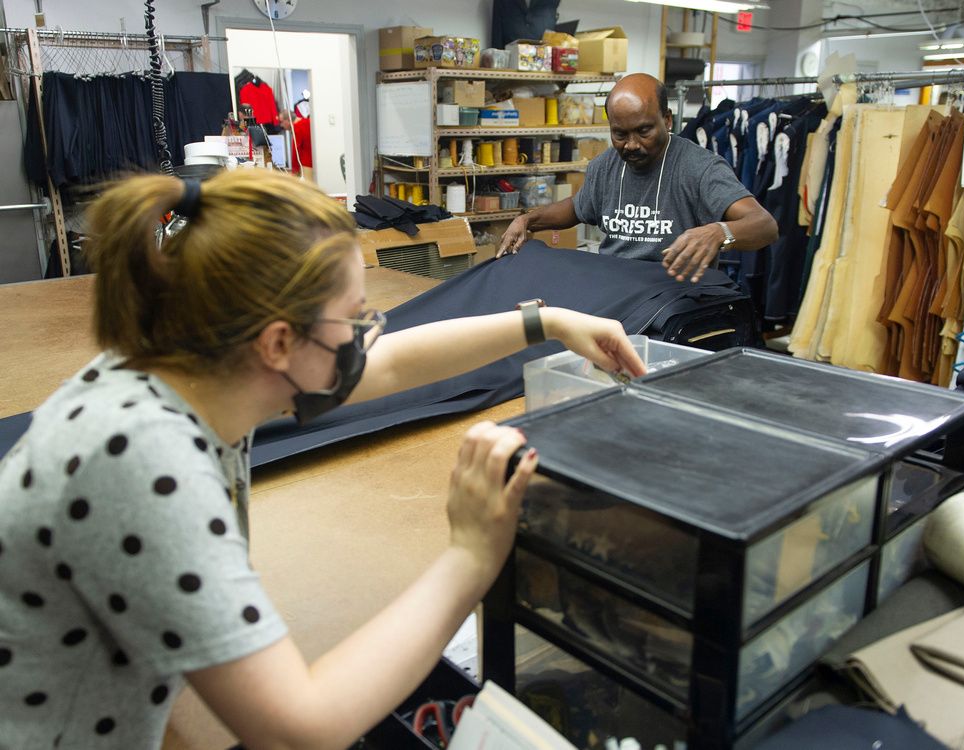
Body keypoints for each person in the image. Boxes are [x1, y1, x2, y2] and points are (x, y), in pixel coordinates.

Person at [0, 170, 645, 748]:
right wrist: (471, 558)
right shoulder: (141, 462)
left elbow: (392, 364)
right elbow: (296, 729)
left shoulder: (198, 366)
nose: (368, 334)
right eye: (354, 317)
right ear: (279, 343)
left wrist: (549, 322)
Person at [498, 73, 778, 284]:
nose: (631, 144)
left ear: (667, 120)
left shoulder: (700, 168)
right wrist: (528, 220)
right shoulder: (605, 165)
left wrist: (720, 232)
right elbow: (577, 207)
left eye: (644, 131)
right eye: (620, 134)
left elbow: (764, 226)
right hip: (615, 287)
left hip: (672, 295)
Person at [279, 108, 313, 177]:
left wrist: (294, 170)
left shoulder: (297, 127)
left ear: (288, 120)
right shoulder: (308, 121)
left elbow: (296, 151)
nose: (281, 125)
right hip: (315, 161)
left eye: (282, 122)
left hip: (307, 165)